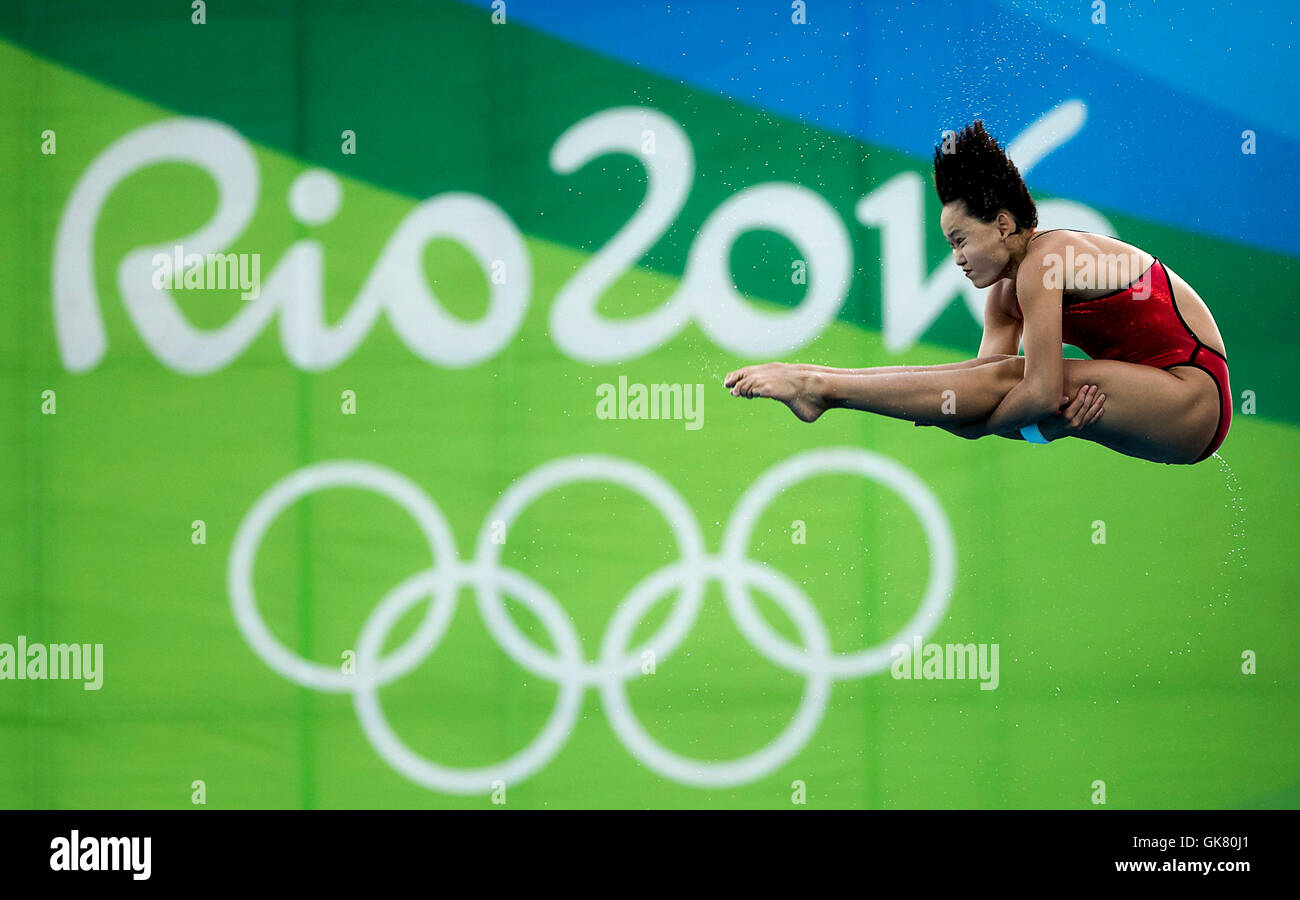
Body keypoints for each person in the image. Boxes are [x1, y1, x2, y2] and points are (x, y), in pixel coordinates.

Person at [724, 121, 1231, 465]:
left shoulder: (1046, 261)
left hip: (1193, 393)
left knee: (1013, 377)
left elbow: (1034, 394)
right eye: (950, 245)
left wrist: (1012, 417)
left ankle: (822, 387)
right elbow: (973, 409)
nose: (957, 258)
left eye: (961, 240)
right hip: (1154, 405)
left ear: (1005, 224)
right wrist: (1042, 429)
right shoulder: (1005, 297)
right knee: (986, 376)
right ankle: (821, 385)